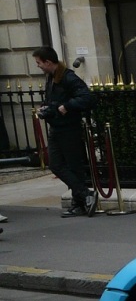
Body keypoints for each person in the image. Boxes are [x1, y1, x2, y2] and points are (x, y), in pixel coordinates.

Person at [33, 46, 97, 218]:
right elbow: (54, 101)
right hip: (56, 127)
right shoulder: (51, 78)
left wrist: (66, 106)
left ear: (48, 62)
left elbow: (86, 98)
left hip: (69, 128)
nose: (38, 66)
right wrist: (46, 108)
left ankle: (80, 203)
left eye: (39, 62)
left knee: (73, 166)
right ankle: (85, 196)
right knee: (56, 165)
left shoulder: (68, 77)